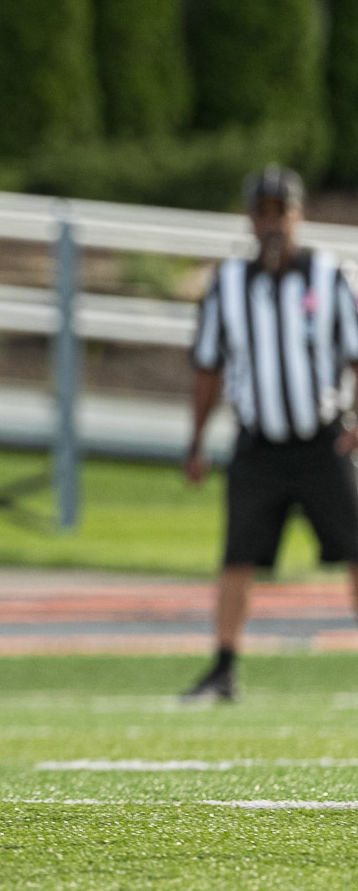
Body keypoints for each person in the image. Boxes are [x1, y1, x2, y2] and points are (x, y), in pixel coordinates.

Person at [182, 166, 358, 702]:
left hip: (321, 438)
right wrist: (195, 441)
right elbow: (208, 368)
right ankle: (224, 666)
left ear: (299, 214)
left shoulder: (327, 276)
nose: (272, 223)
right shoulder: (229, 283)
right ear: (250, 218)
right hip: (258, 442)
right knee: (238, 556)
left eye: (281, 211)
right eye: (263, 212)